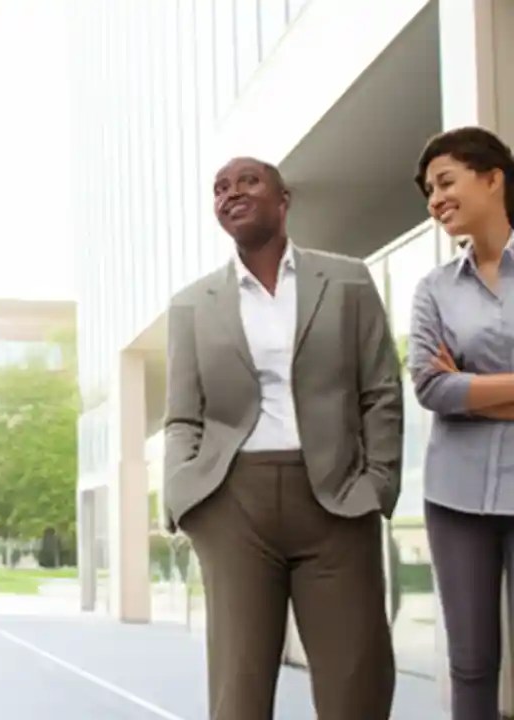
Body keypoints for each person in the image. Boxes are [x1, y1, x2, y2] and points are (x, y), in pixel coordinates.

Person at [163, 157, 402, 719]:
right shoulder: (193, 305)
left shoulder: (346, 280)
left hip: (337, 500)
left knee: (355, 683)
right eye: (220, 188)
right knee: (238, 691)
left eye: (248, 182)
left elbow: (381, 390)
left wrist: (378, 484)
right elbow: (183, 417)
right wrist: (184, 497)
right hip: (233, 505)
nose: (231, 194)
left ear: (283, 198)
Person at [409, 125, 514, 719]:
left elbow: (457, 388)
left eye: (445, 182)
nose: (434, 200)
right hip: (456, 498)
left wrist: (473, 387)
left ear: (493, 177)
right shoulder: (434, 290)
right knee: (471, 666)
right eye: (428, 191)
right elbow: (431, 386)